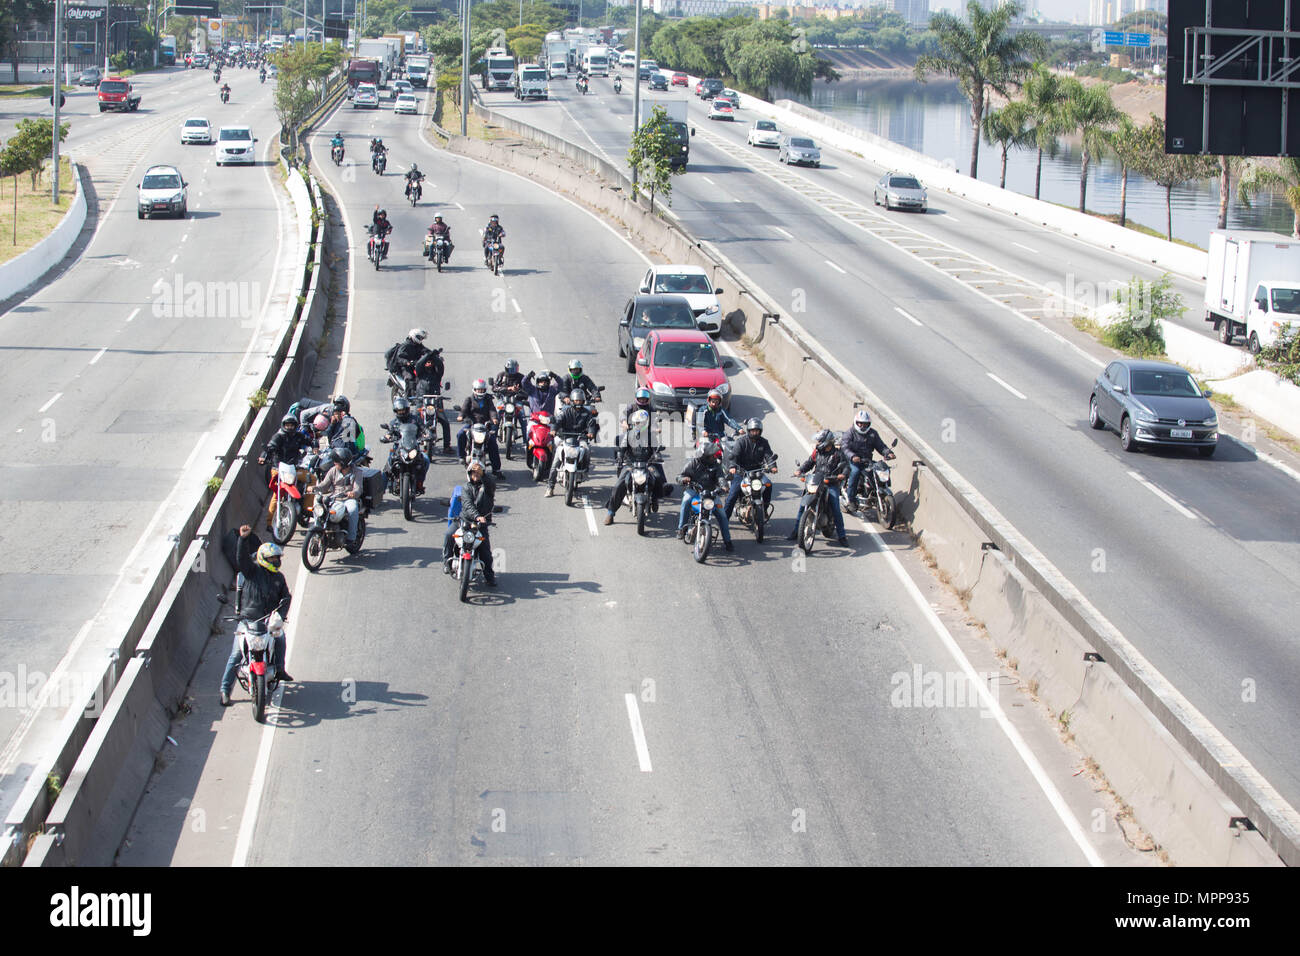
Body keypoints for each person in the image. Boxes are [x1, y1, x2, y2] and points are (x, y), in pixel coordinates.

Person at [221, 527, 292, 705]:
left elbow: (286, 598)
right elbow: (241, 559)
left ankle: (280, 669)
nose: (275, 561)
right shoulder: (252, 572)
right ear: (264, 559)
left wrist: (280, 617)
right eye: (272, 558)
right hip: (247, 622)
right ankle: (224, 689)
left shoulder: (279, 579)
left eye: (277, 558)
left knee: (281, 638)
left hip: (268, 622)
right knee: (236, 654)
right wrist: (243, 539)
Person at [604, 409, 671, 525]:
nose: (638, 425)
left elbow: (655, 449)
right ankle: (610, 512)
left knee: (658, 478)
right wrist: (619, 457)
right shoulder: (628, 435)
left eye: (641, 423)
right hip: (631, 465)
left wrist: (657, 455)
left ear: (646, 423)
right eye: (636, 423)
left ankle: (654, 499)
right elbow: (622, 448)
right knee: (618, 485)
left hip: (647, 464)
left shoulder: (650, 436)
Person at [790, 429, 850, 546]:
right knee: (803, 506)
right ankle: (796, 531)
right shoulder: (817, 452)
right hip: (816, 481)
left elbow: (846, 467)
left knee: (836, 507)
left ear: (827, 441)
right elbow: (809, 463)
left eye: (820, 441)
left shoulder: (838, 454)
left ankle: (842, 536)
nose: (818, 443)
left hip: (830, 483)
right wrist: (800, 470)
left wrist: (842, 474)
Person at [442, 462, 497, 586]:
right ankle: (447, 563)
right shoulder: (465, 488)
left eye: (478, 472)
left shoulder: (488, 488)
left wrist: (483, 474)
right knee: (448, 535)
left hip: (480, 525)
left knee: (485, 552)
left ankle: (489, 576)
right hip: (464, 521)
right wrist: (477, 516)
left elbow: (490, 483)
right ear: (469, 474)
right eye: (473, 472)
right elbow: (467, 505)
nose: (476, 475)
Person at [676, 439, 732, 551]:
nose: (714, 457)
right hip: (695, 491)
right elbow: (679, 476)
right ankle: (681, 529)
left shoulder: (716, 465)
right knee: (686, 501)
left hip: (711, 493)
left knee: (722, 515)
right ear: (704, 456)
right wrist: (684, 479)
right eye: (711, 456)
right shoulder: (693, 463)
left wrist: (724, 485)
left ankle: (728, 541)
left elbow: (720, 477)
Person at [841, 409, 894, 514]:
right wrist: (852, 456)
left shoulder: (873, 434)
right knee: (855, 472)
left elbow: (881, 446)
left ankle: (874, 492)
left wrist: (888, 453)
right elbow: (845, 447)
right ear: (856, 422)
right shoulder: (850, 433)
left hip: (867, 460)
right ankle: (851, 499)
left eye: (865, 424)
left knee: (881, 469)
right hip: (853, 461)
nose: (862, 426)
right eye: (860, 423)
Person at [724, 417, 777, 519]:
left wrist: (772, 466)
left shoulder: (764, 442)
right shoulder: (741, 442)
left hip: (757, 472)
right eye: (753, 431)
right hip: (741, 472)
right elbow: (734, 456)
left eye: (757, 431)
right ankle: (725, 519)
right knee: (733, 494)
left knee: (768, 485)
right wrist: (733, 466)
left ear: (760, 431)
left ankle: (764, 510)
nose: (755, 433)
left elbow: (769, 456)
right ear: (749, 430)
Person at [547, 388, 597, 496]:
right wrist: (553, 430)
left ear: (583, 401)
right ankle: (550, 487)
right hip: (565, 437)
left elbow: (591, 425)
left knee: (587, 450)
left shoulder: (587, 413)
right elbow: (558, 421)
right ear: (572, 401)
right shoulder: (565, 411)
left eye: (580, 400)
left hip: (580, 438)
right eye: (576, 400)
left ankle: (584, 469)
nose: (578, 402)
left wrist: (590, 433)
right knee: (555, 462)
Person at [315, 446, 364, 546]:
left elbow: (358, 488)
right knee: (319, 507)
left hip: (348, 499)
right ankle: (318, 530)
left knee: (352, 509)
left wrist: (353, 493)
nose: (334, 463)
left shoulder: (357, 472)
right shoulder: (333, 470)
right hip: (335, 498)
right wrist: (314, 488)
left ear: (343, 463)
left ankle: (351, 537)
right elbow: (324, 485)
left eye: (337, 462)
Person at [456, 378, 502, 476]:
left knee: (493, 442)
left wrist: (494, 419)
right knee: (460, 434)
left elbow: (492, 410)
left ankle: (496, 469)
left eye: (482, 390)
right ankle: (462, 456)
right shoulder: (469, 399)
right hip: (472, 424)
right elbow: (464, 409)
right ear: (474, 390)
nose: (480, 391)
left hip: (485, 425)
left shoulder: (488, 400)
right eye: (478, 390)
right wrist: (461, 416)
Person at [387, 397, 430, 495]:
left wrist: (427, 434)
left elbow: (424, 429)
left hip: (413, 447)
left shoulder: (416, 419)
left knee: (426, 460)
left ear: (407, 409)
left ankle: (419, 483)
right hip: (399, 448)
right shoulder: (394, 423)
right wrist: (387, 436)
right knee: (389, 462)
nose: (401, 413)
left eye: (403, 410)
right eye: (399, 411)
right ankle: (388, 485)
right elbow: (389, 433)